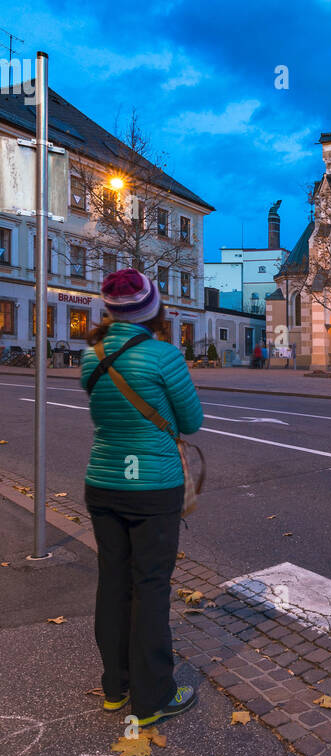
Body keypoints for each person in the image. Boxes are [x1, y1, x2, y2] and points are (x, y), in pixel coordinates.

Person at [81, 269, 203, 727]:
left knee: (113, 582)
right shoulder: (164, 356)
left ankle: (117, 687)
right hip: (153, 487)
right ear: (154, 309)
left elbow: (106, 410)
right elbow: (191, 420)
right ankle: (153, 697)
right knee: (151, 585)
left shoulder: (90, 356)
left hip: (104, 482)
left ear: (109, 310)